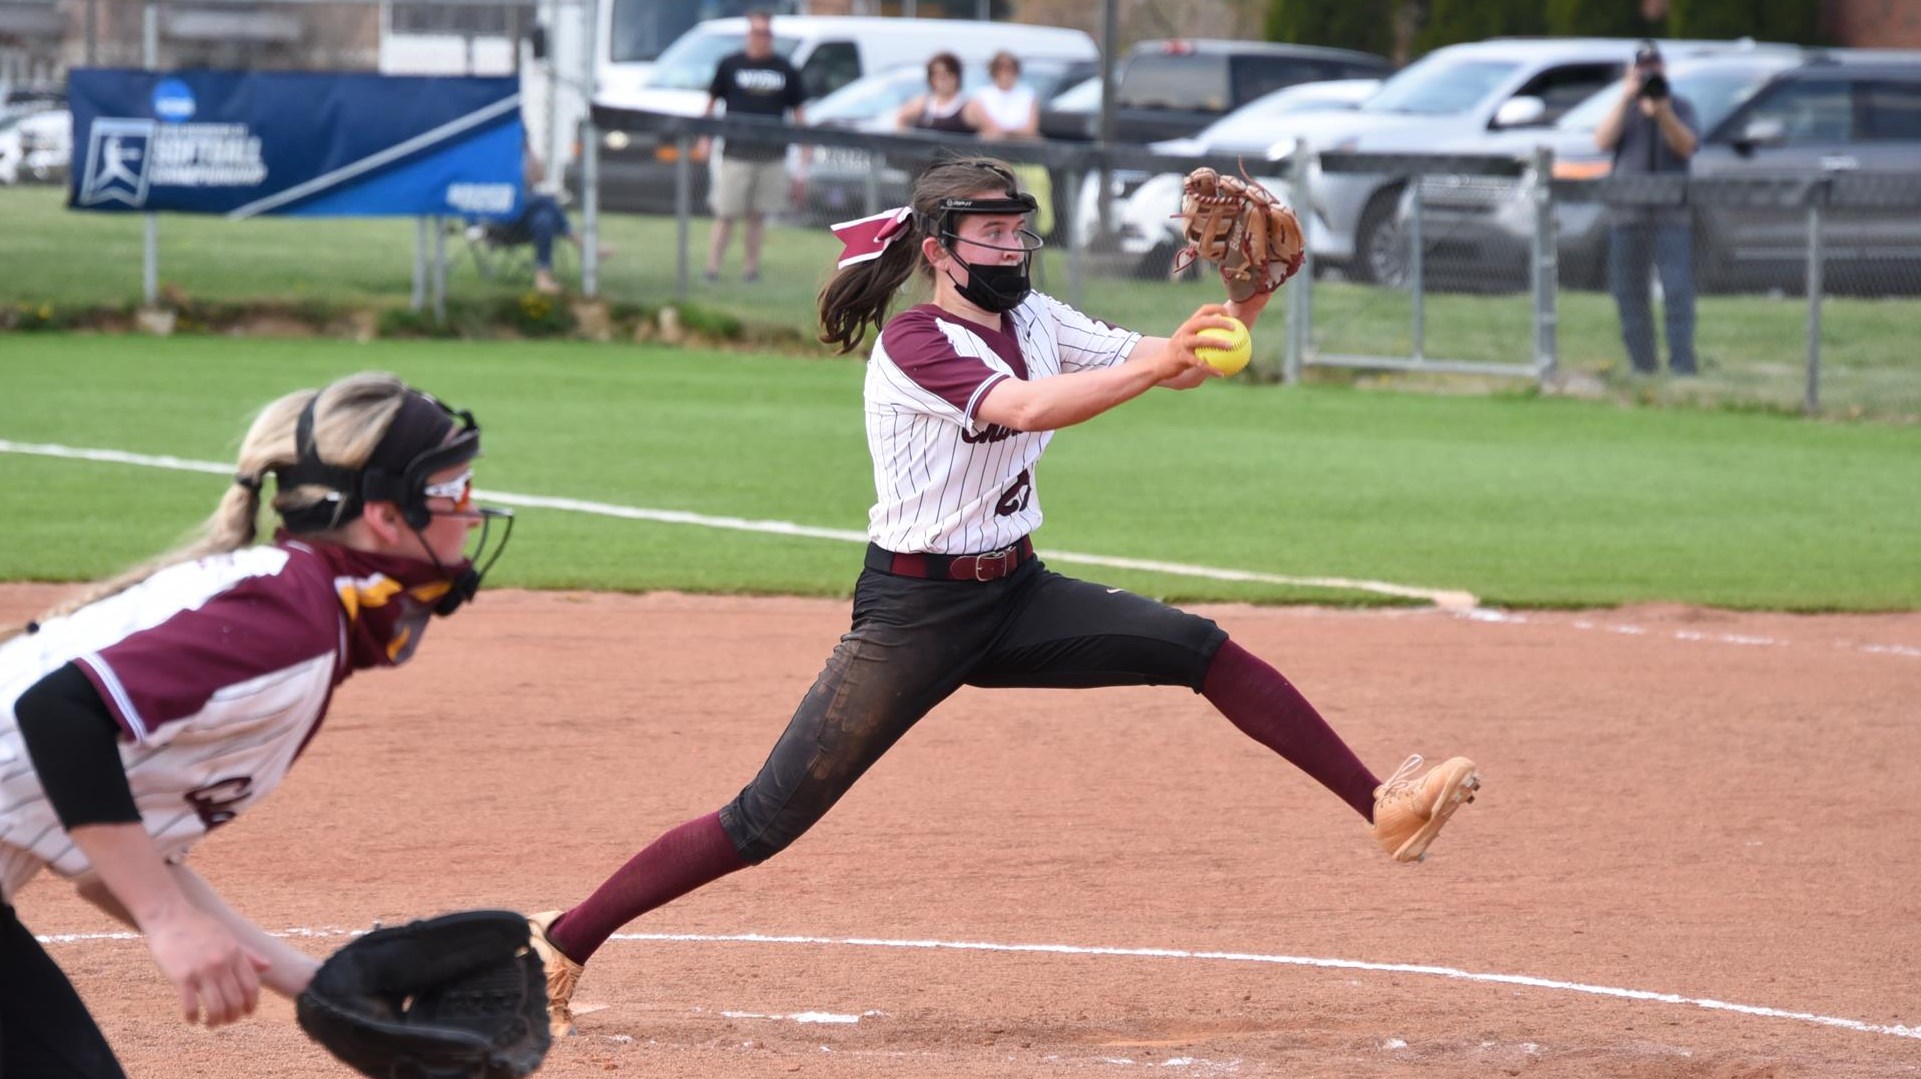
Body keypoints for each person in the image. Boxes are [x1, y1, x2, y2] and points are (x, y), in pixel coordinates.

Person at [523, 157, 1482, 1038]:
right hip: (914, 613)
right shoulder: (915, 341)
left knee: (1198, 648)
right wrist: (1156, 362)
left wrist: (1247, 300)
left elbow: (1179, 360)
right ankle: (562, 941)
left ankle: (1382, 805)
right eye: (989, 233)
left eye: (1018, 229)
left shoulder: (1035, 318)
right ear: (938, 252)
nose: (1012, 246)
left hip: (1014, 591)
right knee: (763, 820)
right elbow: (1023, 406)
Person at [0, 372, 513, 1076]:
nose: (472, 512)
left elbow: (113, 851)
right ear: (387, 515)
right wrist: (167, 922)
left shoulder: (293, 599)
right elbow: (56, 714)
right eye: (453, 490)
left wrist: (314, 987)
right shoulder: (292, 617)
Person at [1595, 39, 1700, 377]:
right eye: (1643, 69)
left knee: (1677, 292)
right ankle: (1642, 365)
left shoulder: (1680, 106)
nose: (1649, 75)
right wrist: (1627, 96)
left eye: (1654, 68)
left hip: (1671, 215)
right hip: (1628, 214)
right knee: (1629, 292)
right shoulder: (1623, 107)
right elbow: (1602, 141)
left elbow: (1686, 146)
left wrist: (1663, 113)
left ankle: (1682, 365)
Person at [700, 9, 810, 284]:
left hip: (771, 155)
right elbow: (712, 103)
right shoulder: (730, 65)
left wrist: (804, 148)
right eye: (756, 32)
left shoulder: (785, 69)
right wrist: (704, 136)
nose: (761, 38)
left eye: (766, 33)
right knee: (725, 213)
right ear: (748, 34)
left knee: (757, 216)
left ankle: (750, 270)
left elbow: (798, 111)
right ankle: (712, 267)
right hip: (736, 152)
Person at [518, 143, 611, 296]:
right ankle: (583, 245)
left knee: (544, 219)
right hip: (501, 218)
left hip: (529, 219)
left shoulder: (519, 152)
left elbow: (540, 177)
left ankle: (542, 276)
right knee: (546, 201)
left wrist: (527, 148)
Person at [896, 52, 987, 136]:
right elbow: (900, 119)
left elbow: (992, 133)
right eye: (936, 75)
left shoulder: (969, 107)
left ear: (956, 76)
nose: (942, 80)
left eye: (946, 75)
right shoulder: (921, 103)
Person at [970, 51, 1040, 139]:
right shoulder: (981, 95)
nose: (1005, 73)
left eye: (1010, 68)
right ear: (993, 71)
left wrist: (1007, 134)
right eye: (1000, 68)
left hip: (1021, 146)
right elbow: (987, 126)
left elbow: (1030, 129)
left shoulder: (1028, 94)